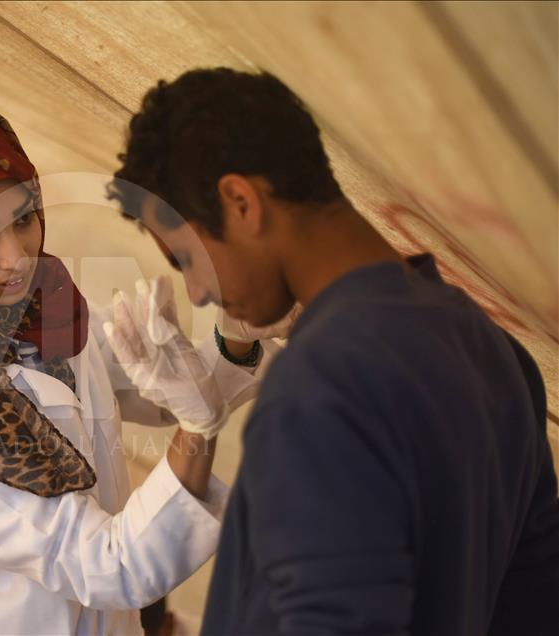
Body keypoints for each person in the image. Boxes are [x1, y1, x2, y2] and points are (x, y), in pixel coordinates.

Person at [106, 68, 559, 634]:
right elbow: (537, 606)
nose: (197, 291)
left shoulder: (318, 385)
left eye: (187, 258)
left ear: (241, 201)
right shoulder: (498, 355)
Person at [0, 89, 287, 635]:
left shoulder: (42, 312)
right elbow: (107, 564)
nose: (17, 257)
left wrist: (236, 338)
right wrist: (197, 430)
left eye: (25, 216)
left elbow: (155, 392)